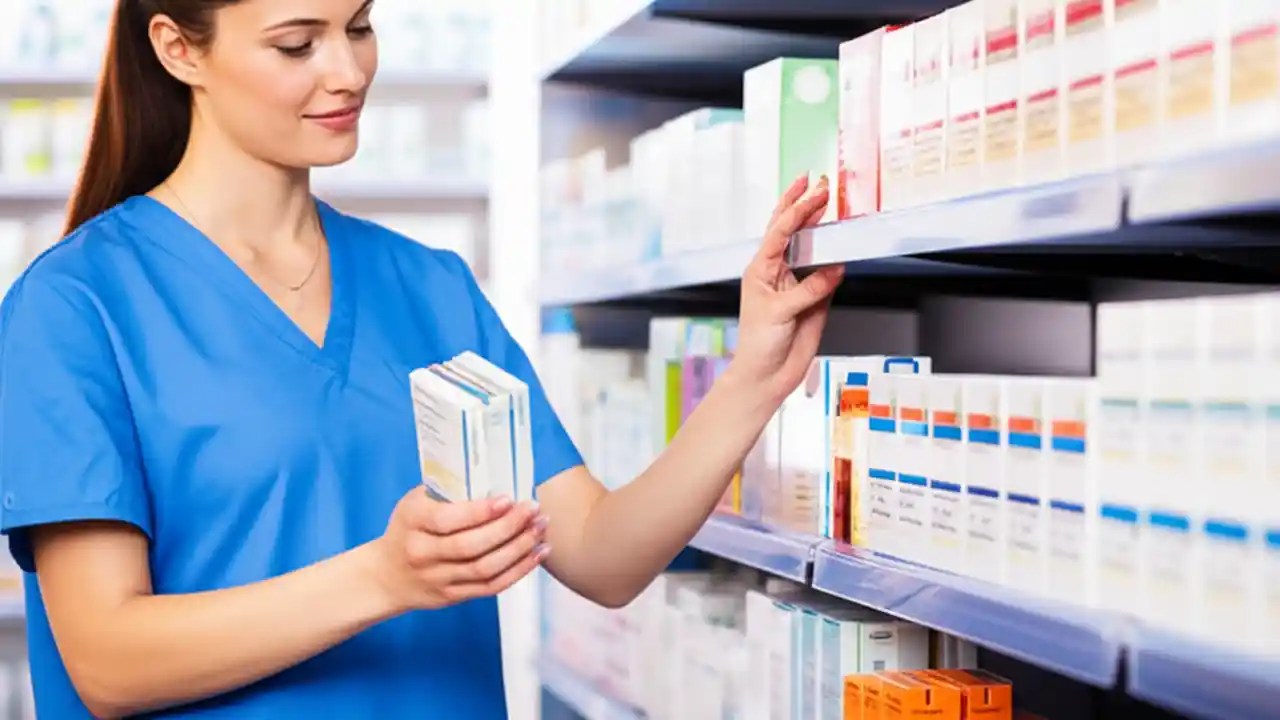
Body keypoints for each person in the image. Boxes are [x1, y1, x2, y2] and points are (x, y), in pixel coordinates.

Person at [0, 0, 846, 718]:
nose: (348, 72)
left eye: (360, 27)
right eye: (297, 45)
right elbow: (107, 663)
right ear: (179, 50)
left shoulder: (430, 287)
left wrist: (754, 376)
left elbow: (602, 555)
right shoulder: (78, 303)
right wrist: (383, 577)